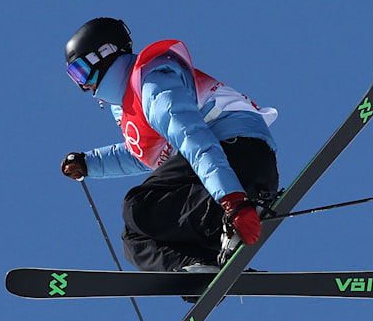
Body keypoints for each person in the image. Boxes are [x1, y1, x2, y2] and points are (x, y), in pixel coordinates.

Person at [61, 17, 280, 273]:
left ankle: (226, 218)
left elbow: (193, 137)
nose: (83, 85)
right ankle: (200, 268)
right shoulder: (128, 107)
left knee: (137, 206)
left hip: (237, 156)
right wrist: (89, 164)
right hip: (229, 181)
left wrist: (233, 200)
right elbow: (143, 155)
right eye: (74, 78)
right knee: (135, 239)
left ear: (104, 53)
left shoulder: (152, 82)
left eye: (80, 71)